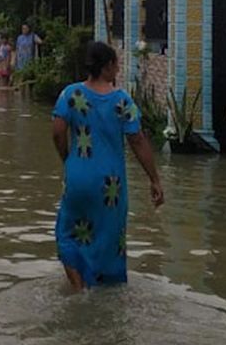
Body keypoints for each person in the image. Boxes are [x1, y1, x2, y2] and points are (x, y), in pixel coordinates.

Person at [51, 41, 163, 290]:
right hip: (111, 186)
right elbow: (137, 140)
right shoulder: (122, 100)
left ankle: (78, 287)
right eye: (116, 65)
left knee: (67, 232)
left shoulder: (70, 94)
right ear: (107, 67)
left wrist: (68, 159)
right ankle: (100, 286)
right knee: (108, 237)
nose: (118, 70)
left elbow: (58, 131)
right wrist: (154, 178)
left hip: (78, 177)